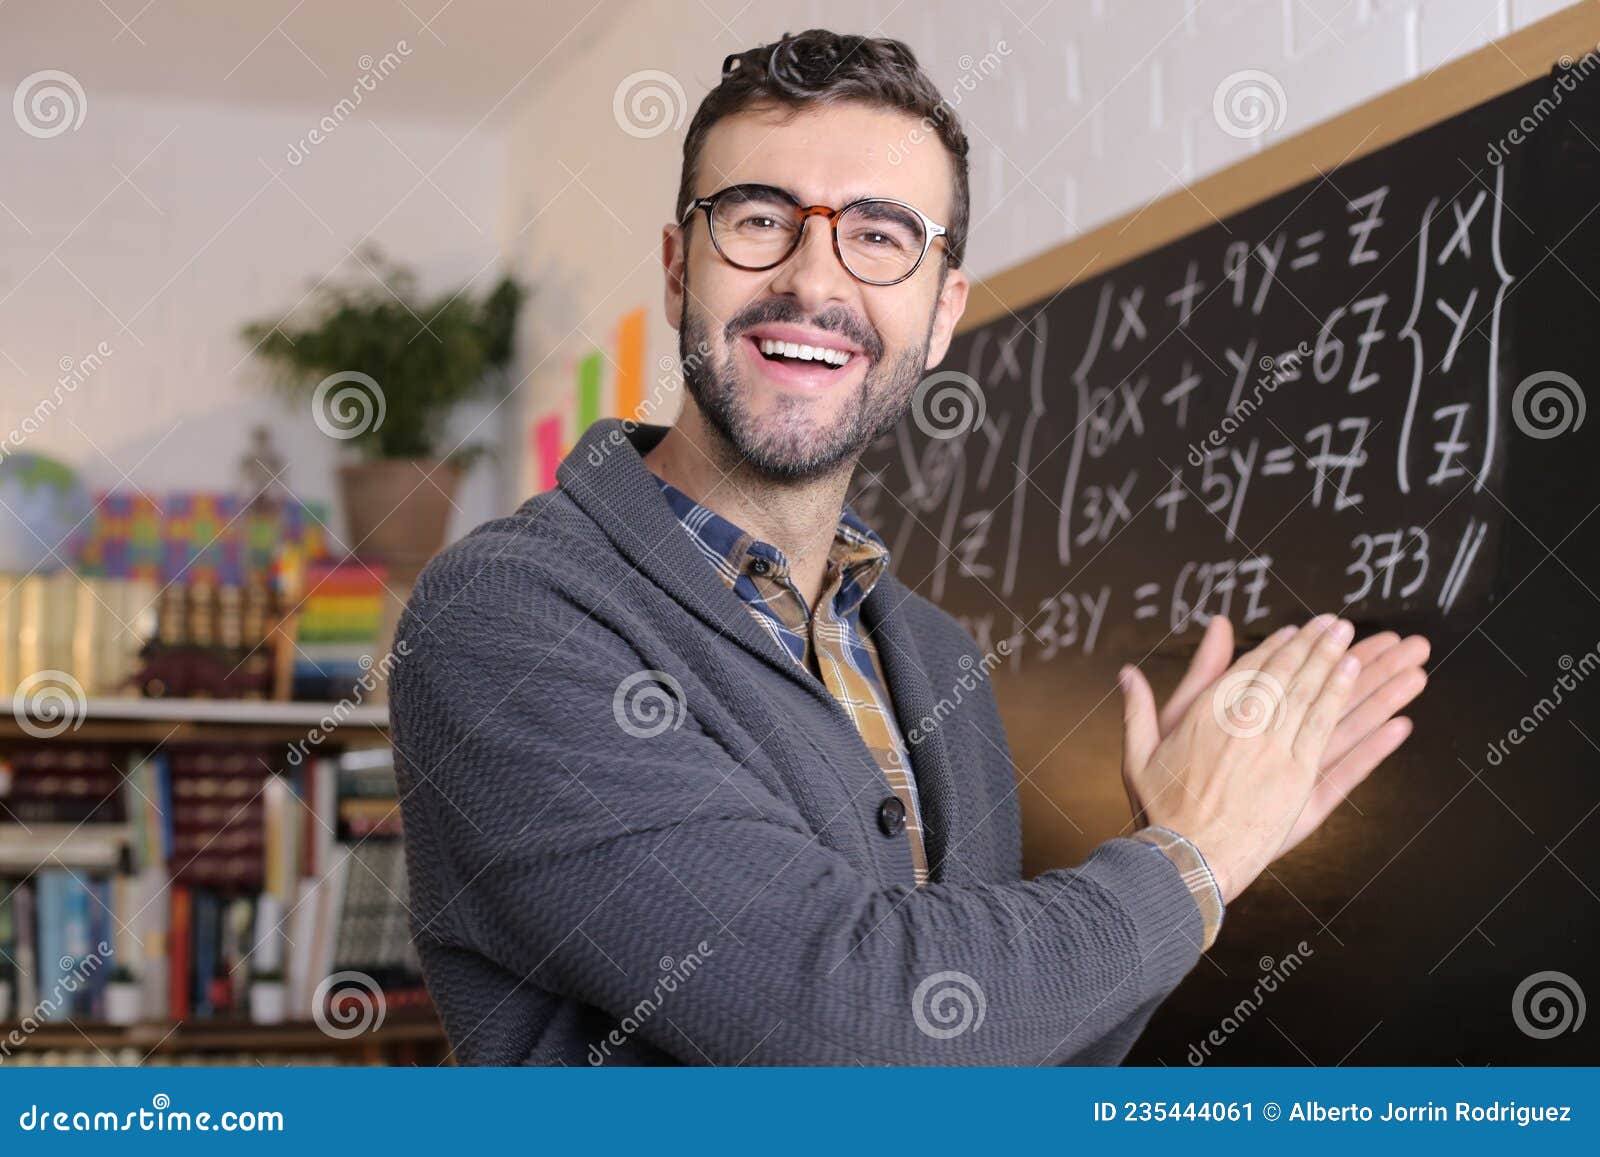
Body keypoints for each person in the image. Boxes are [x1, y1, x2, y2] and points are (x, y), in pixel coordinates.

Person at [389, 29, 1430, 1066]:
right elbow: (850, 1019)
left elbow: (989, 1068)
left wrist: (1178, 842)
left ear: (941, 315)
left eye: (881, 236)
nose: (813, 281)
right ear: (677, 270)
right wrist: (1189, 858)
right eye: (760, 218)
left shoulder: (933, 657)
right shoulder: (506, 616)